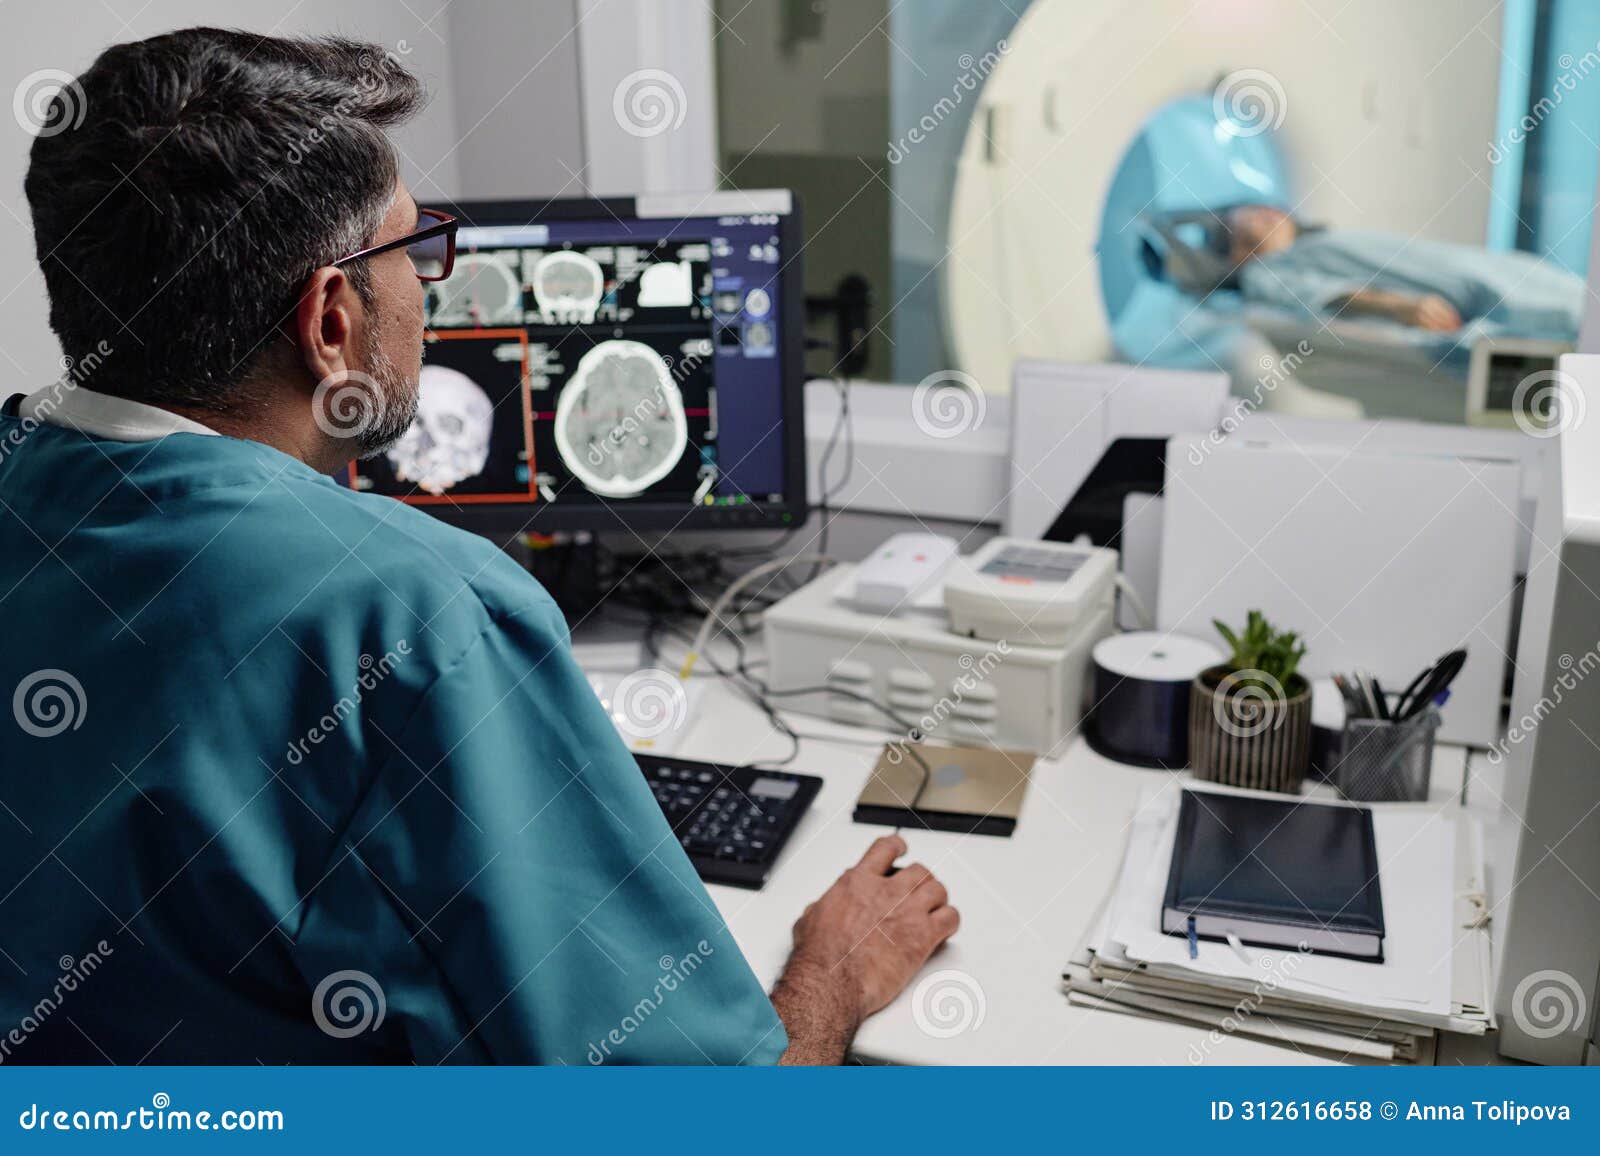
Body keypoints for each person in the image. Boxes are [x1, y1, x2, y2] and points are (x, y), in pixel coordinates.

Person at [0, 28, 957, 1065]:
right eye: (415, 252)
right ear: (331, 323)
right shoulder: (418, 616)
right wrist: (832, 971)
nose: (429, 287)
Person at [1226, 204, 1581, 339]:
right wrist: (1400, 307)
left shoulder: (1315, 240)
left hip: (1481, 267)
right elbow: (1328, 296)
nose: (1267, 213)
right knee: (1563, 316)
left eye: (1262, 208)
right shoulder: (1263, 273)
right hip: (1465, 296)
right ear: (1241, 252)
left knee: (1566, 293)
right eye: (1252, 220)